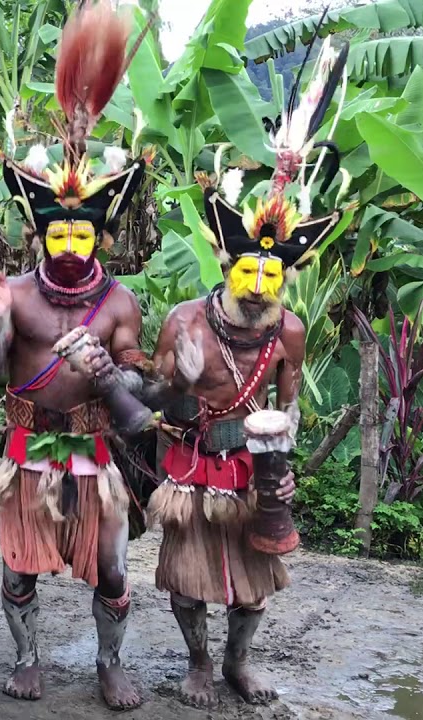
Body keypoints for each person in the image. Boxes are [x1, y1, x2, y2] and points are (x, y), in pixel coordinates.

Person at [148, 37, 350, 710]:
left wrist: (282, 461)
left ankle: (238, 662)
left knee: (256, 583)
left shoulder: (288, 329)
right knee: (186, 582)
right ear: (226, 266)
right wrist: (179, 380)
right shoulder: (184, 319)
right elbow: (152, 401)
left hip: (249, 469)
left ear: (285, 273)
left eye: (272, 272)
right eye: (247, 269)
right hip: (191, 460)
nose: (260, 281)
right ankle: (199, 664)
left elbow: (287, 410)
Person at [0, 1, 152, 709]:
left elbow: (138, 386)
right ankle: (27, 657)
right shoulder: (12, 293)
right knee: (20, 570)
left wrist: (111, 371)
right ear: (42, 236)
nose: (71, 245)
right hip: (23, 453)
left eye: (83, 234)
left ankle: (110, 663)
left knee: (110, 568)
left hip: (95, 456)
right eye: (59, 234)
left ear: (98, 237)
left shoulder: (121, 303)